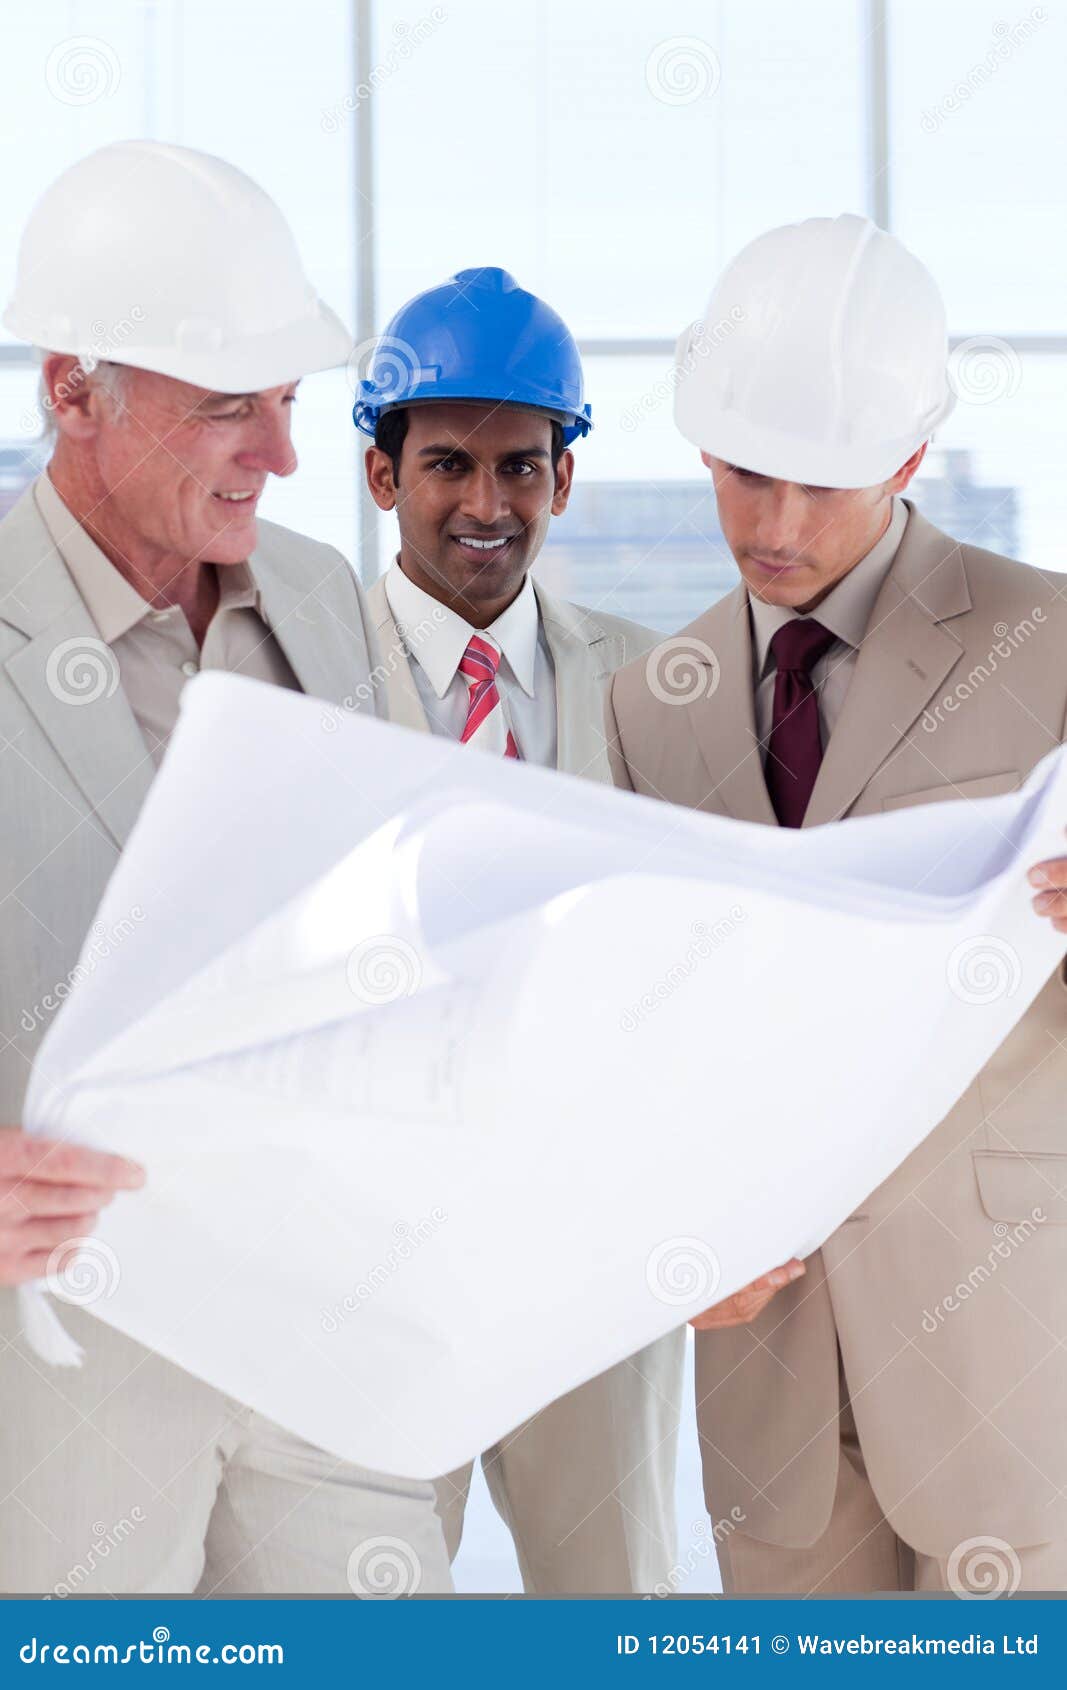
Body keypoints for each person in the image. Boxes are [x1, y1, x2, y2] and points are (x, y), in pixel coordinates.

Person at [0, 140, 453, 1595]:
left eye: (287, 402)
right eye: (226, 411)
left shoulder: (319, 591)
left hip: (323, 1342)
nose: (282, 454)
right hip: (68, 1382)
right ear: (74, 391)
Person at [607, 213, 1067, 1593]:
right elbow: (648, 1024)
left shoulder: (1045, 643)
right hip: (770, 1376)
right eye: (747, 476)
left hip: (1007, 1348)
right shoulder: (653, 702)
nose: (777, 526)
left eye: (825, 483)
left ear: (911, 458)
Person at [355, 266, 693, 1593]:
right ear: (384, 475)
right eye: (447, 463)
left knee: (614, 1601)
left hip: (589, 1255)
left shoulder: (661, 682)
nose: (487, 504)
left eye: (521, 465)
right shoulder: (291, 671)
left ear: (566, 478)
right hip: (370, 1256)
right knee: (354, 1605)